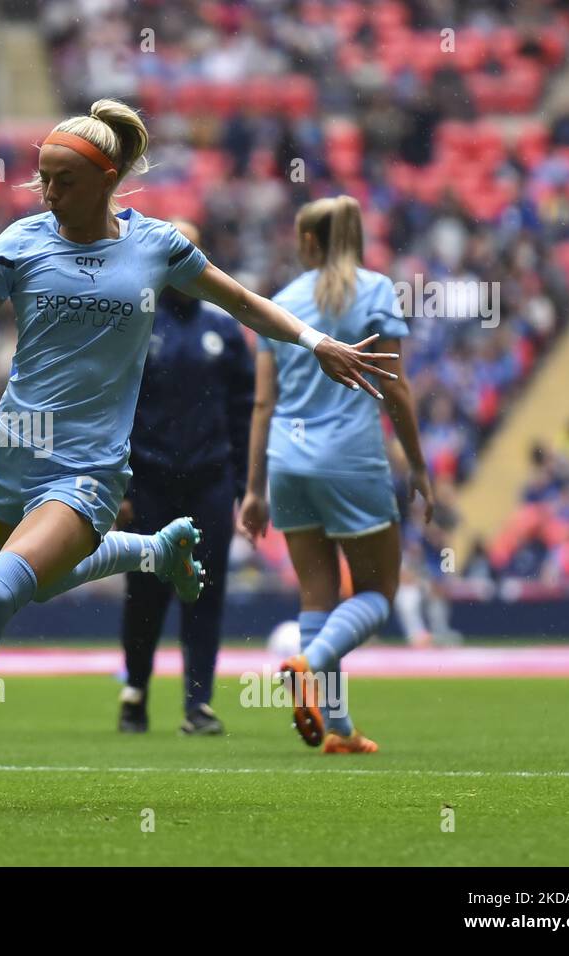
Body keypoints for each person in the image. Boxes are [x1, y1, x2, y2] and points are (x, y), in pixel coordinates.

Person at [0, 100, 395, 796]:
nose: (48, 194)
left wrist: (316, 342)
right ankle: (152, 551)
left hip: (89, 469)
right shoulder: (20, 244)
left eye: (63, 182)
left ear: (106, 180)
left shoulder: (157, 247)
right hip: (15, 456)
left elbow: (242, 303)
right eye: (42, 180)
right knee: (41, 585)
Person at [238, 196, 431, 755]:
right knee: (378, 592)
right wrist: (417, 464)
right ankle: (309, 665)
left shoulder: (280, 304)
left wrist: (254, 490)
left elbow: (262, 406)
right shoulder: (374, 291)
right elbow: (393, 385)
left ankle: (340, 728)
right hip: (350, 459)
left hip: (287, 462)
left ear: (307, 242)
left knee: (317, 595)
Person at [116, 219, 254, 736]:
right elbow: (115, 413)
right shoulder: (136, 324)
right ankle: (136, 691)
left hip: (208, 481)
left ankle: (199, 703)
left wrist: (244, 486)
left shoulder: (222, 329)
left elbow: (244, 411)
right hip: (148, 480)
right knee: (145, 590)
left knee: (206, 590)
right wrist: (121, 489)